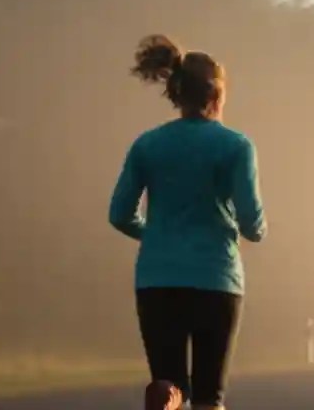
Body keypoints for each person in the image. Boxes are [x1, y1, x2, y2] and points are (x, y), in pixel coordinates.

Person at [109, 35, 268, 410]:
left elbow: (119, 214)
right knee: (209, 395)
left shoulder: (147, 145)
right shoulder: (236, 146)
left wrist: (156, 235)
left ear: (177, 94)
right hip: (216, 277)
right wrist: (255, 229)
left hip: (157, 279)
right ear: (217, 96)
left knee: (170, 386)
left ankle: (167, 397)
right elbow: (251, 224)